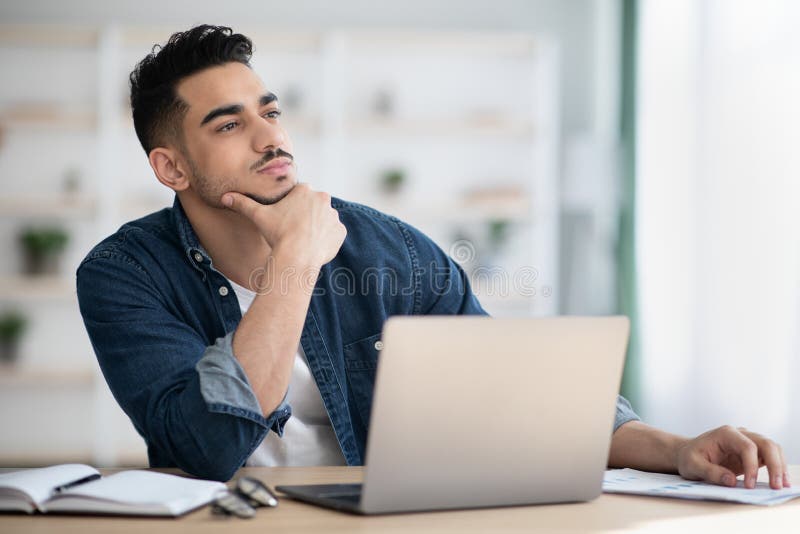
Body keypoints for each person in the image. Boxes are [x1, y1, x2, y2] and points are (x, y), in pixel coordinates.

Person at [77, 25, 789, 488]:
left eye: (270, 111)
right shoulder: (122, 277)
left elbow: (515, 394)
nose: (270, 138)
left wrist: (676, 448)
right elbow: (206, 449)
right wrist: (296, 256)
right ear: (171, 169)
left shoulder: (387, 246)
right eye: (230, 124)